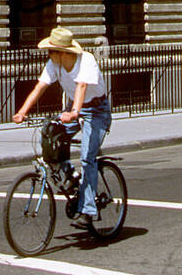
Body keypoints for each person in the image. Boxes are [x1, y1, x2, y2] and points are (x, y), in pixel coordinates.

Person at [13, 26, 111, 223]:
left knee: (87, 158)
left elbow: (81, 86)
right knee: (50, 133)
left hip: (96, 110)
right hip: (73, 107)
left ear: (63, 52)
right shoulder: (54, 64)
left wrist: (74, 112)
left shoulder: (86, 60)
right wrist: (22, 111)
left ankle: (89, 209)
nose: (48, 54)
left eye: (51, 50)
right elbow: (39, 87)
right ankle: (71, 176)